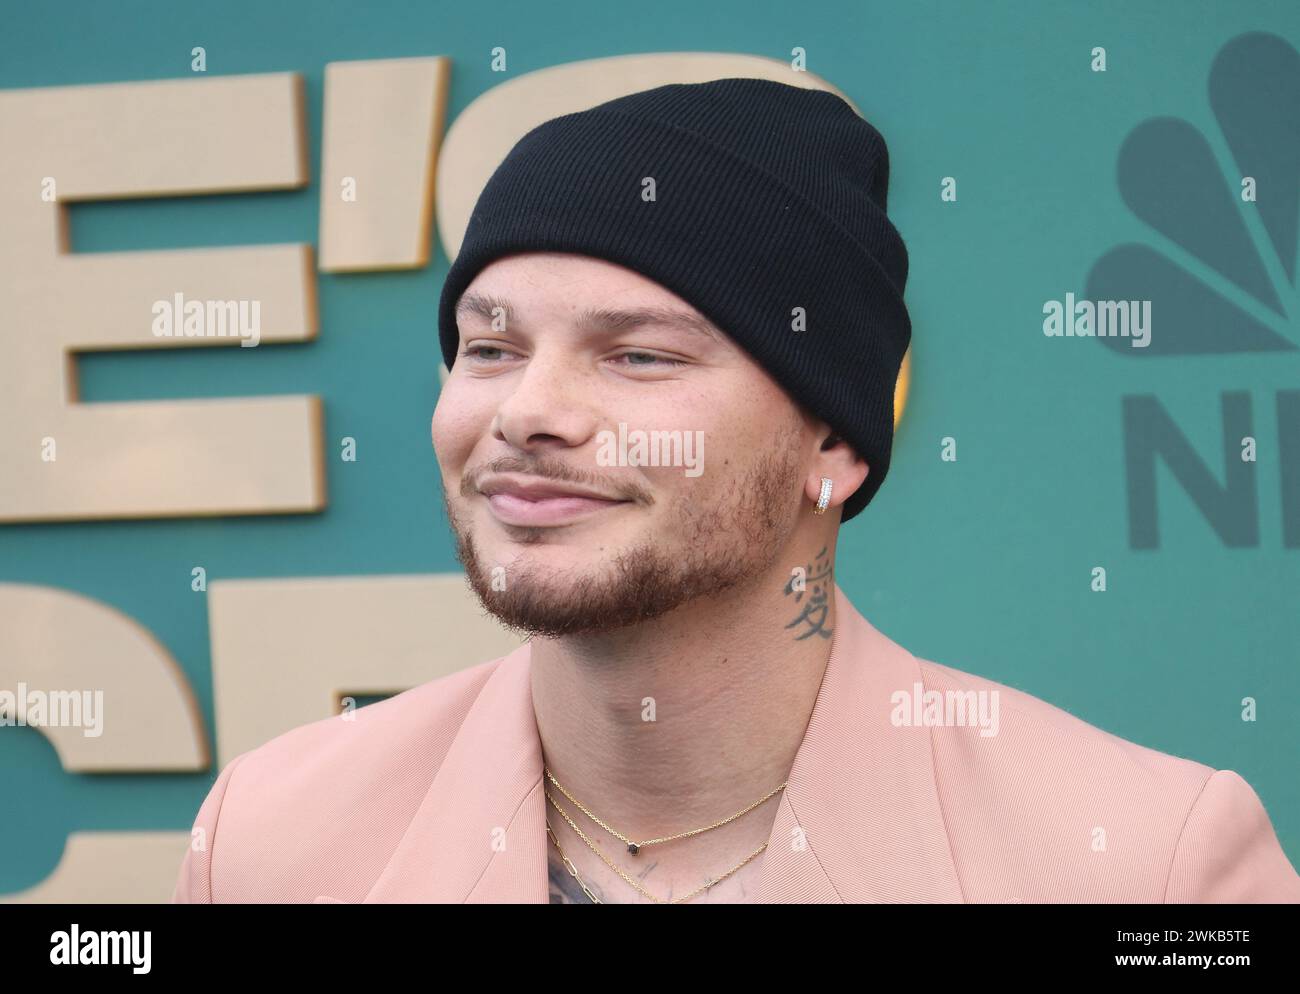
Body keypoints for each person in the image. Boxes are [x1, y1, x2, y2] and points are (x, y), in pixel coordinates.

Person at [172, 77, 1300, 904]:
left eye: (640, 356)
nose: (527, 412)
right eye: (489, 349)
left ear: (834, 443)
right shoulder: (272, 840)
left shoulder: (1146, 865)